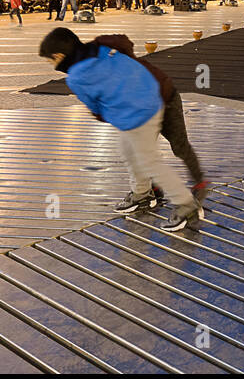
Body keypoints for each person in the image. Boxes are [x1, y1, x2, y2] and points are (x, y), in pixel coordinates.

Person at [39, 27, 202, 231]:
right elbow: (128, 58)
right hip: (153, 98)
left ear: (59, 56)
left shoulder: (76, 78)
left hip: (136, 115)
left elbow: (96, 108)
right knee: (128, 151)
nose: (52, 65)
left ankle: (186, 205)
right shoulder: (101, 49)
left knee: (149, 161)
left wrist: (112, 112)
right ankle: (142, 194)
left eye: (51, 61)